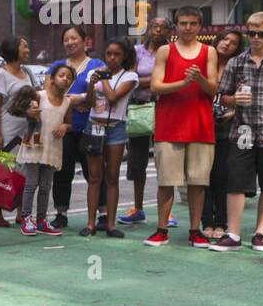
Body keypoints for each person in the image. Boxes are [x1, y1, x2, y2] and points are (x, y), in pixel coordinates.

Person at [210, 12, 263, 252]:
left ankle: (260, 233)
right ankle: (233, 234)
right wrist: (233, 98)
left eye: (260, 33)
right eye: (251, 33)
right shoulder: (237, 62)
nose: (255, 38)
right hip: (242, 132)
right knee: (236, 183)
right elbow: (221, 96)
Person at [144, 7, 218, 249]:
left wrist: (199, 80)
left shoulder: (210, 51)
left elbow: (213, 89)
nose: (188, 27)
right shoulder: (166, 50)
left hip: (201, 126)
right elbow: (155, 86)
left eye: (193, 23)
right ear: (176, 25)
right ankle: (161, 230)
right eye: (183, 23)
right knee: (166, 182)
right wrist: (185, 82)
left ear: (200, 26)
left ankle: (195, 230)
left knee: (198, 183)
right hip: (169, 125)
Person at [78, 39, 138, 238]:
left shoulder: (130, 76)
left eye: (117, 54)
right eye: (109, 54)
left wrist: (103, 79)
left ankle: (111, 225)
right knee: (94, 178)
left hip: (116, 128)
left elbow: (113, 98)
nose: (112, 58)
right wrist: (91, 85)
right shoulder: (91, 74)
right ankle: (90, 224)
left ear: (124, 56)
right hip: (93, 125)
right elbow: (89, 103)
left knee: (112, 178)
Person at [118, 16, 173, 226]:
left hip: (165, 108)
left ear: (169, 32)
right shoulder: (136, 51)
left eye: (163, 27)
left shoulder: (172, 51)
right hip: (139, 108)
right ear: (148, 29)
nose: (158, 30)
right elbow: (129, 79)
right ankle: (138, 208)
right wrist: (158, 78)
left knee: (166, 161)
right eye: (154, 26)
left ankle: (167, 212)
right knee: (137, 159)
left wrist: (151, 81)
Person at [49, 26, 103, 229]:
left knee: (95, 172)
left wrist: (81, 98)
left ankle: (103, 213)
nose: (70, 42)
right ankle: (61, 213)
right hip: (64, 127)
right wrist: (71, 102)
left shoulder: (97, 64)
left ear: (85, 41)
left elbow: (103, 93)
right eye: (66, 39)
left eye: (74, 38)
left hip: (91, 125)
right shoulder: (57, 66)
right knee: (62, 171)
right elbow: (50, 92)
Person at [17, 63, 73, 236]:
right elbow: (24, 111)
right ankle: (26, 218)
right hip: (35, 146)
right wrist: (30, 112)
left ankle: (41, 220)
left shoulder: (67, 102)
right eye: (62, 75)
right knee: (31, 183)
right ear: (52, 79)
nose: (65, 79)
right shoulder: (39, 95)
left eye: (69, 77)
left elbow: (69, 123)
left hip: (53, 147)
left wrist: (65, 126)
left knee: (46, 186)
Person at [0, 36, 38, 227]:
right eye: (24, 46)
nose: (27, 49)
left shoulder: (28, 72)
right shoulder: (1, 74)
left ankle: (20, 212)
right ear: (14, 49)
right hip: (8, 130)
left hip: (27, 129)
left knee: (24, 170)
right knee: (5, 171)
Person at [202, 28, 245, 241]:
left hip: (227, 127)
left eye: (233, 42)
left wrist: (233, 112)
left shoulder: (238, 66)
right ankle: (206, 222)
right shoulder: (204, 61)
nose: (227, 44)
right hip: (201, 124)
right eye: (225, 39)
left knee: (221, 176)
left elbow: (247, 96)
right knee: (201, 176)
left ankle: (221, 222)